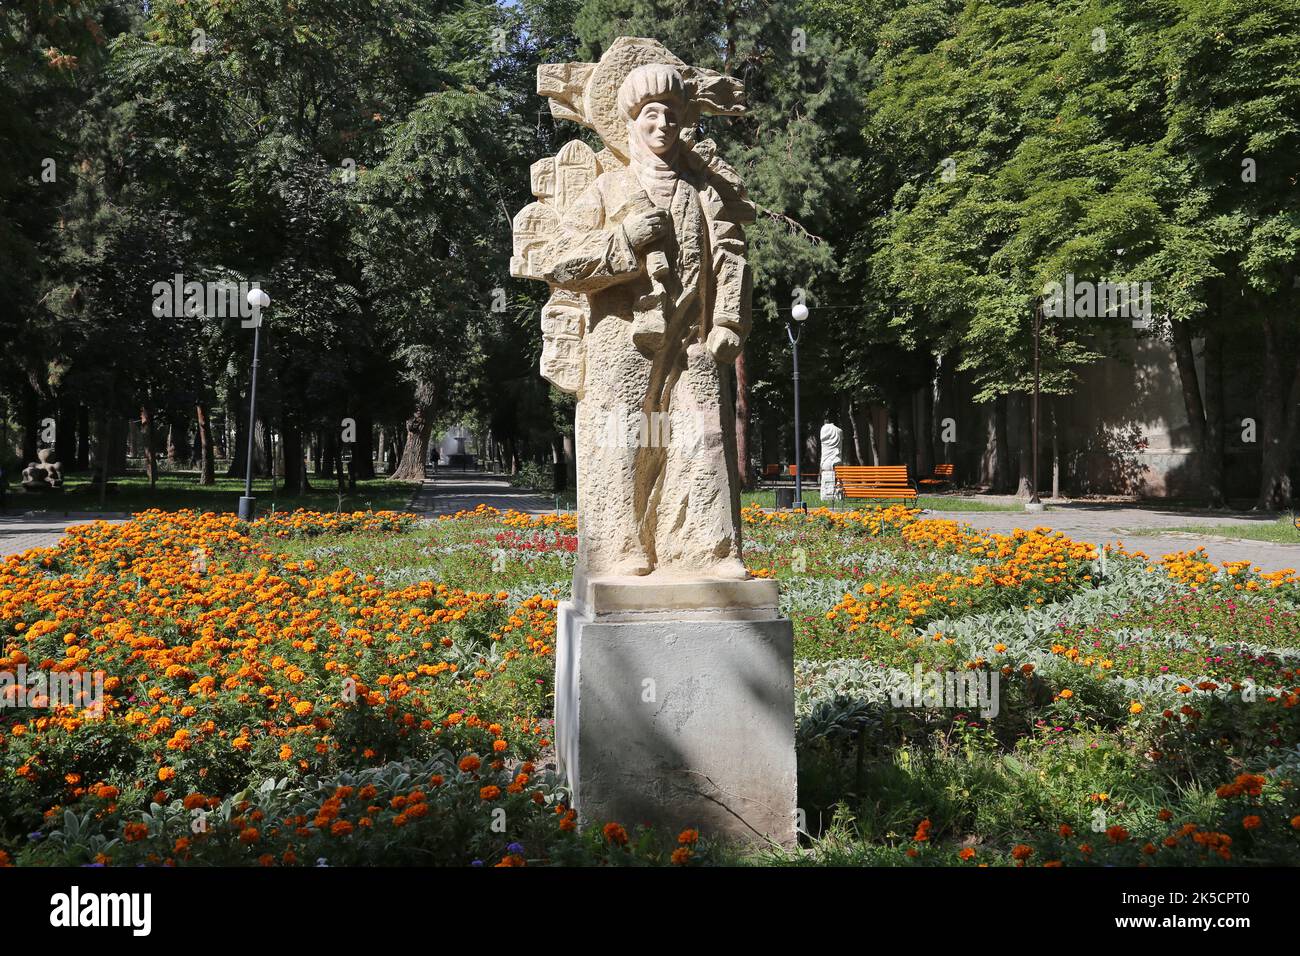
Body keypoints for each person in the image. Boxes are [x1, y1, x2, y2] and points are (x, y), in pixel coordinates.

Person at [541, 63, 752, 585]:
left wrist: (728, 319)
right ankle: (620, 547)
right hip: (622, 343)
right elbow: (562, 265)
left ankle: (709, 550)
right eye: (651, 114)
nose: (663, 125)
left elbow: (730, 254)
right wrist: (625, 242)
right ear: (631, 122)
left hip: (694, 340)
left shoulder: (704, 193)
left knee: (702, 439)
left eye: (673, 116)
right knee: (624, 442)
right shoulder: (608, 189)